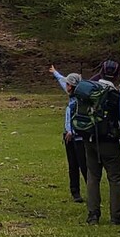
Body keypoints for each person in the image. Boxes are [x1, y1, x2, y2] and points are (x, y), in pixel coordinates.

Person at [72, 71, 120, 225]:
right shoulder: (113, 94)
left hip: (89, 138)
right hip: (109, 140)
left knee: (93, 176)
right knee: (114, 178)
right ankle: (116, 215)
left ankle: (93, 214)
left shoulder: (89, 90)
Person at [50, 66, 86, 203]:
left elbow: (78, 118)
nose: (66, 86)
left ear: (72, 86)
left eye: (68, 84)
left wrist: (72, 131)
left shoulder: (79, 100)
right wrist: (55, 72)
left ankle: (91, 191)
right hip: (69, 137)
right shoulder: (71, 95)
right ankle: (75, 192)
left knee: (83, 165)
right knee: (72, 165)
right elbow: (61, 80)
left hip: (78, 138)